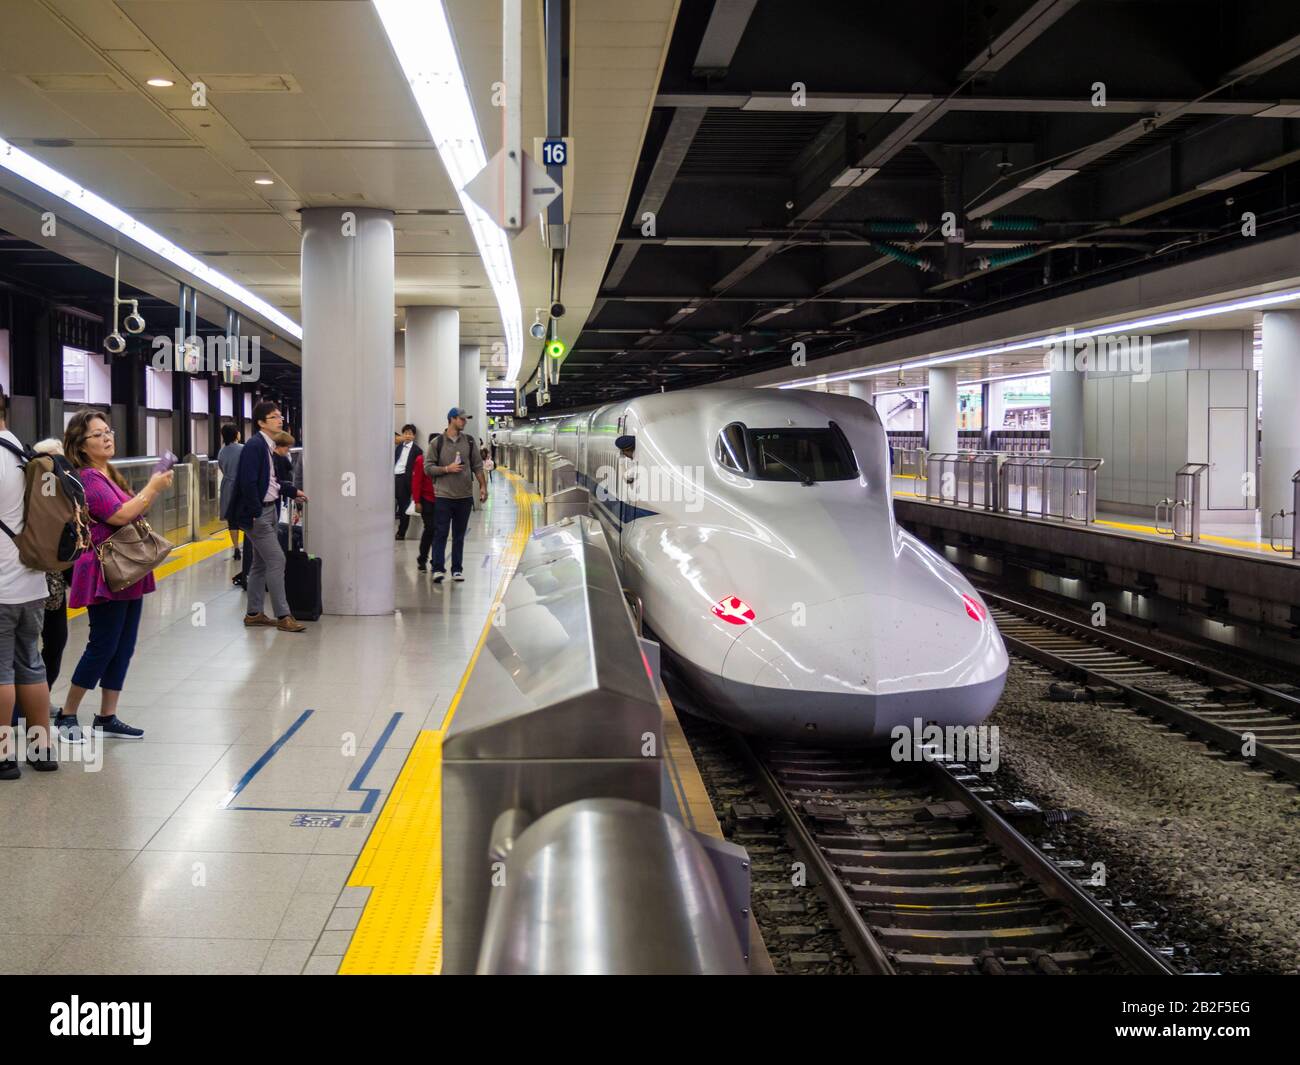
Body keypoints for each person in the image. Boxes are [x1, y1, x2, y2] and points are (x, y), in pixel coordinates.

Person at [55, 411, 173, 743]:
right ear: (80, 444)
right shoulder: (89, 478)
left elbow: (137, 508)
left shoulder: (109, 473)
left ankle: (107, 716)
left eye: (108, 431)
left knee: (123, 645)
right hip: (106, 570)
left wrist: (149, 490)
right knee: (103, 644)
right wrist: (152, 485)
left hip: (128, 567)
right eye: (97, 434)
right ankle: (67, 714)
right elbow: (120, 514)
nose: (107, 437)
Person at [0, 393, 58, 778]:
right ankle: (43, 750)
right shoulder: (26, 454)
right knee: (32, 665)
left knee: (1, 672)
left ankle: (4, 757)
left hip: (1, 585)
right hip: (34, 582)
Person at [230, 401, 308, 632]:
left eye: (280, 416)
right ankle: (283, 615)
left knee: (260, 563)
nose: (280, 420)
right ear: (261, 422)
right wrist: (254, 513)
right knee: (277, 560)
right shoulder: (255, 446)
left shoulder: (267, 446)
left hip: (269, 509)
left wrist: (292, 491)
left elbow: (270, 482)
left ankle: (254, 613)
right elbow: (248, 482)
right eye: (274, 417)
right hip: (259, 514)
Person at [426, 407, 485, 584]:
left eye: (465, 419)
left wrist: (483, 486)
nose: (465, 421)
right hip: (443, 497)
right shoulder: (437, 443)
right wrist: (446, 469)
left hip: (464, 497)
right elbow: (428, 468)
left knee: (459, 535)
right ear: (452, 419)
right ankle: (437, 568)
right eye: (461, 419)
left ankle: (457, 569)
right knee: (441, 533)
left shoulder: (469, 442)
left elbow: (477, 466)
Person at [410, 436, 438, 572]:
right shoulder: (421, 460)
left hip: (441, 499)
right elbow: (416, 482)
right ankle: (422, 559)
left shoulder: (443, 460)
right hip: (426, 500)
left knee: (439, 531)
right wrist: (417, 501)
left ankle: (436, 560)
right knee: (430, 528)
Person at [272, 432, 300, 553]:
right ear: (281, 446)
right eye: (287, 447)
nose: (288, 450)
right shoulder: (278, 458)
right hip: (279, 494)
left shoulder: (271, 457)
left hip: (280, 494)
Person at [393, 423, 421, 540]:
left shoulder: (417, 450)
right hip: (393, 477)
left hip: (405, 479)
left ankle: (401, 532)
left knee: (403, 506)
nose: (408, 436)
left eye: (410, 433)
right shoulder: (399, 447)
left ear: (414, 436)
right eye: (406, 433)